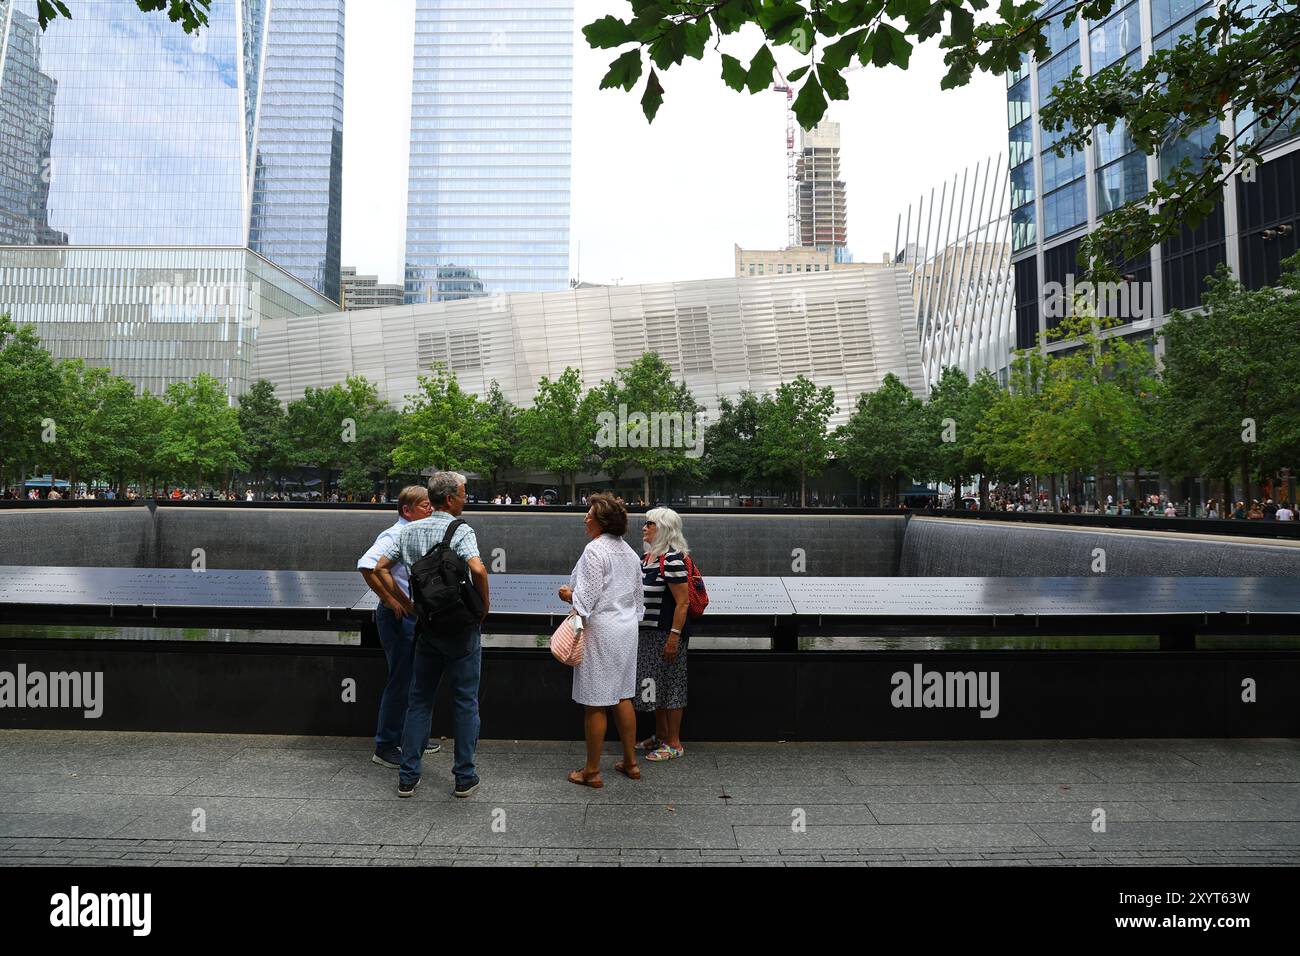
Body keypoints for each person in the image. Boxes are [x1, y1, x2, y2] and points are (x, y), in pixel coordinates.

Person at [372, 471, 489, 798]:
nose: (466, 499)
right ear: (450, 499)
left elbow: (379, 566)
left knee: (419, 701)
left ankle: (408, 777)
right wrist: (484, 606)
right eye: (463, 494)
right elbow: (478, 569)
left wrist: (405, 602)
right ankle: (464, 777)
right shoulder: (461, 529)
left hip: (426, 627)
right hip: (461, 629)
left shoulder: (410, 530)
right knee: (465, 700)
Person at [557, 493, 644, 788]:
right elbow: (638, 600)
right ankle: (631, 763)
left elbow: (585, 601)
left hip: (600, 630)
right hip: (627, 629)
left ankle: (592, 771)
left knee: (595, 702)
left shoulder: (595, 551)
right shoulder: (630, 553)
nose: (585, 518)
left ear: (601, 521)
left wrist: (568, 595)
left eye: (589, 514)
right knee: (622, 695)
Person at [358, 486, 439, 770]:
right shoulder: (395, 534)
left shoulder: (415, 532)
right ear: (407, 510)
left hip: (412, 616)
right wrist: (391, 601)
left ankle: (409, 736)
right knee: (401, 679)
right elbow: (367, 566)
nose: (431, 509)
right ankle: (385, 745)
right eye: (425, 505)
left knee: (413, 677)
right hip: (399, 619)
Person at [634, 507, 693, 762]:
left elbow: (683, 603)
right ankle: (660, 735)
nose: (644, 528)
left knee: (671, 686)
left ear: (664, 529)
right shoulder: (646, 558)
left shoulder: (672, 559)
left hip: (665, 634)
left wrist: (674, 637)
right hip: (647, 634)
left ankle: (674, 743)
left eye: (650, 524)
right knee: (655, 686)